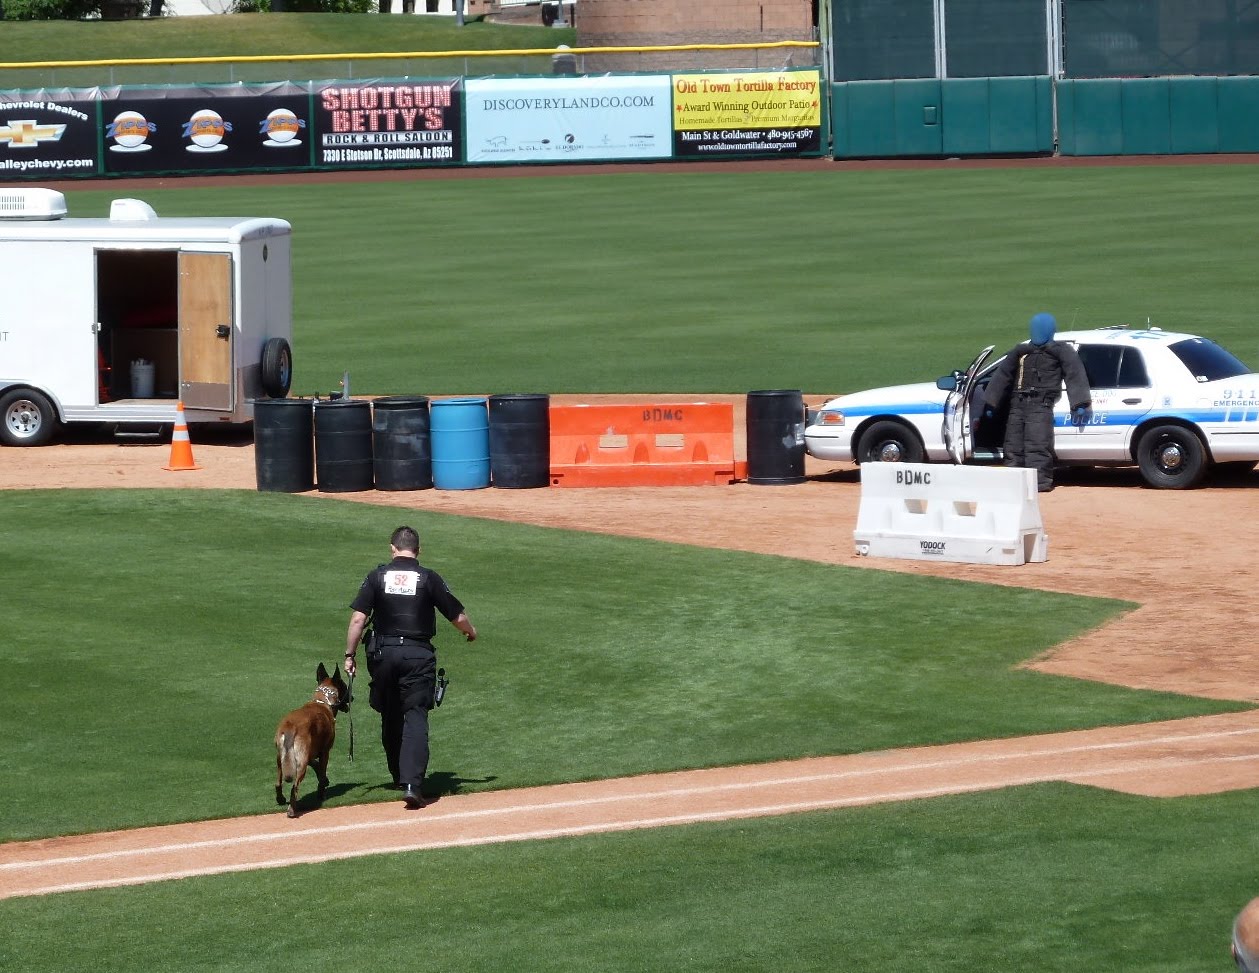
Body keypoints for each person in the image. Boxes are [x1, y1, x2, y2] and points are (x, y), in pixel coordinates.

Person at [344, 525, 477, 809]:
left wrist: (349, 654)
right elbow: (457, 615)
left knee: (390, 714)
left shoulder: (376, 576)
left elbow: (358, 620)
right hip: (417, 656)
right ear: (418, 550)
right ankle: (412, 785)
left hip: (382, 655)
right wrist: (470, 632)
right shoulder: (428, 578)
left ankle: (397, 776)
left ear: (392, 548)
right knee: (415, 716)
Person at [982, 312, 1091, 493]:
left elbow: (1075, 375)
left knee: (1037, 444)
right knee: (1013, 445)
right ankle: (1013, 482)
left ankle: (1039, 484)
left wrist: (1079, 402)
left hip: (1041, 404)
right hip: (1018, 404)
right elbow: (1003, 377)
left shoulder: (1061, 351)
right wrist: (992, 402)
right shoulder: (1021, 351)